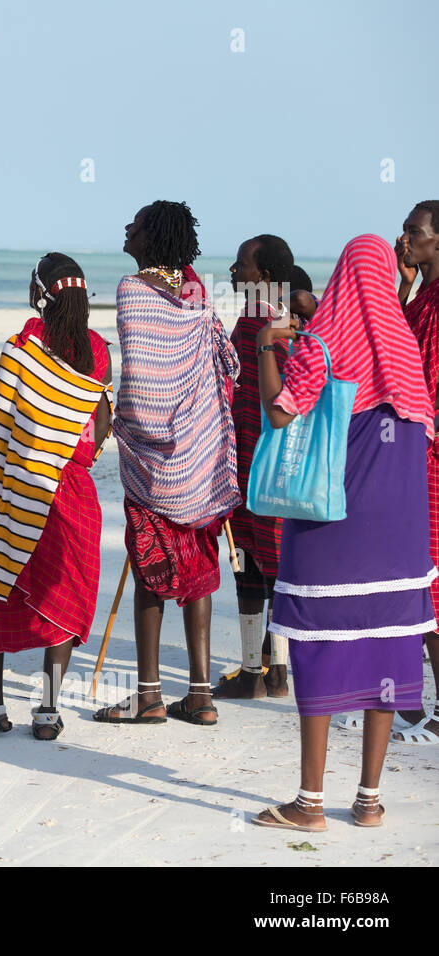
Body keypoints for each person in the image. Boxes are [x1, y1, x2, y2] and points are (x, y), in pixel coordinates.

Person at [252, 235, 433, 831]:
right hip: (402, 534)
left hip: (334, 520)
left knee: (318, 642)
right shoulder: (407, 348)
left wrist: (264, 348)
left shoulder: (327, 342)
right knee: (388, 644)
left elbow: (281, 410)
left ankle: (307, 805)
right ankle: (369, 799)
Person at [0, 254, 111, 741]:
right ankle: (48, 710)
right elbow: (102, 421)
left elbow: (4, 422)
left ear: (42, 292)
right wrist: (80, 455)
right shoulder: (98, 349)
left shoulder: (24, 345)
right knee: (63, 594)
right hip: (73, 490)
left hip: (19, 487)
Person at [95, 201, 240, 727]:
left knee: (150, 572)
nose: (126, 229)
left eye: (134, 225)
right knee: (200, 568)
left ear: (150, 239)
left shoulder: (133, 290)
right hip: (200, 459)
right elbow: (219, 367)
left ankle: (151, 695)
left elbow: (141, 377)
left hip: (152, 462)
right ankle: (200, 696)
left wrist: (126, 425)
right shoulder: (197, 295)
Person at [215, 235, 296, 699]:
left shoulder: (258, 323)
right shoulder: (289, 318)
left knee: (249, 560)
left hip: (255, 461)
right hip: (279, 465)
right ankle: (277, 671)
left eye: (242, 264)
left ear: (263, 276)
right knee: (276, 565)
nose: (232, 270)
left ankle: (253, 673)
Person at [392, 199, 439, 745]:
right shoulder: (422, 298)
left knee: (428, 584)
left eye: (414, 232)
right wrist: (403, 289)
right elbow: (391, 350)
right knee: (415, 581)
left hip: (428, 460)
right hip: (409, 460)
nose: (404, 239)